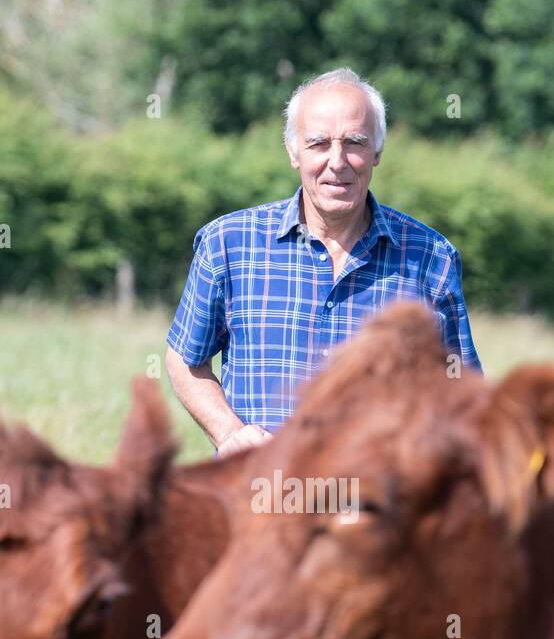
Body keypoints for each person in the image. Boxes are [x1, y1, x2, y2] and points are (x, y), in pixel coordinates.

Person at [166, 67, 481, 457]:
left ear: (377, 151)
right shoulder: (228, 245)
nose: (337, 161)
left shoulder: (431, 258)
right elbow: (184, 358)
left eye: (354, 142)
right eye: (318, 143)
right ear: (293, 151)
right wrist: (229, 433)